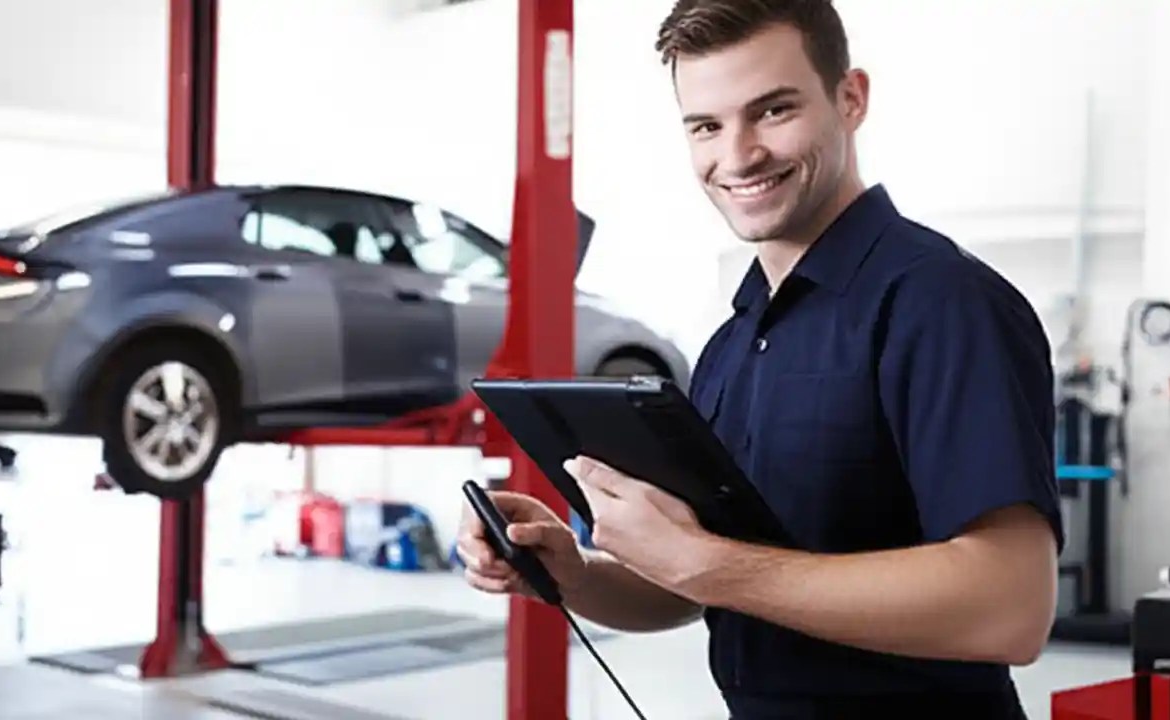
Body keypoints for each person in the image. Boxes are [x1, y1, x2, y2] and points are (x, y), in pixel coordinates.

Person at [455, 1, 1063, 718]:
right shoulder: (733, 344)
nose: (738, 155)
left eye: (773, 111)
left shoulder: (940, 303)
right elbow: (698, 586)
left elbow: (1012, 607)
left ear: (851, 98)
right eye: (707, 126)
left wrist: (706, 564)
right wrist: (571, 570)